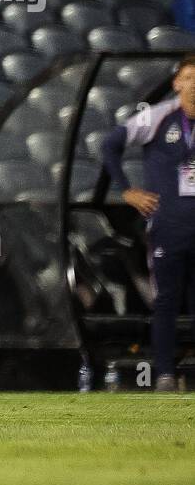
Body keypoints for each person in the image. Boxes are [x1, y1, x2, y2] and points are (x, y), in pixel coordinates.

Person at [102, 55, 195, 392]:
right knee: (166, 301)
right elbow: (110, 145)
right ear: (177, 83)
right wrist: (127, 190)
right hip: (168, 227)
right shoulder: (157, 117)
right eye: (189, 77)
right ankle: (166, 374)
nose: (194, 85)